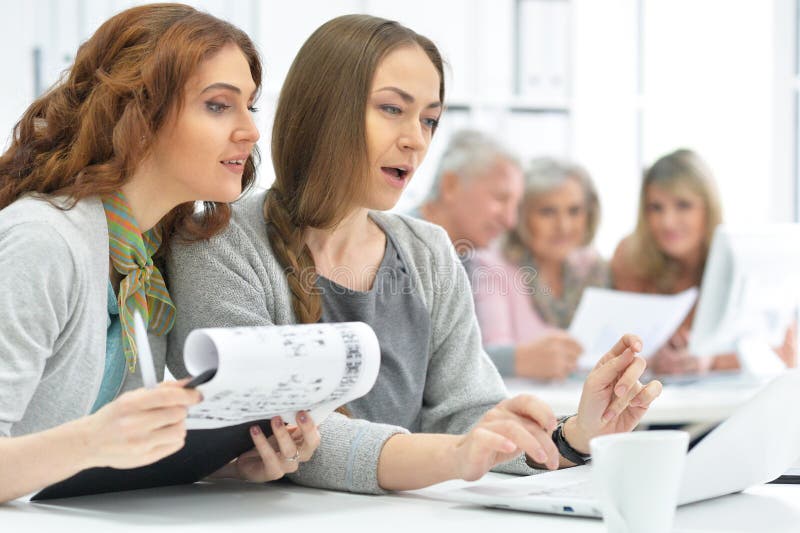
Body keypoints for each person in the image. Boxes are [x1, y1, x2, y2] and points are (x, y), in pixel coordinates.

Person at [167, 14, 662, 495]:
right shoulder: (218, 244)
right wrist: (451, 456)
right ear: (323, 111)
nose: (416, 139)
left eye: (429, 119)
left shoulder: (428, 250)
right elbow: (296, 433)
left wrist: (572, 435)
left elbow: (472, 416)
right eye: (391, 109)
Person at [0, 4, 318, 504]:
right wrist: (93, 441)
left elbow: (93, 463)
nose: (252, 131)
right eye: (218, 105)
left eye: (249, 106)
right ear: (139, 117)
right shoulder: (44, 242)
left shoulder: (143, 258)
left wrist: (228, 468)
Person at [611, 148, 796, 374]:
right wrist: (648, 359)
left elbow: (784, 350)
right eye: (655, 208)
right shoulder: (631, 256)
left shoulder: (741, 256)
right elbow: (620, 341)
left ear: (708, 208)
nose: (667, 222)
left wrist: (711, 361)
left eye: (683, 205)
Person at [473, 157, 610, 379]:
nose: (563, 226)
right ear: (521, 215)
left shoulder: (593, 267)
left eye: (574, 211)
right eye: (547, 212)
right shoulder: (492, 267)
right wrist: (523, 360)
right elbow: (484, 356)